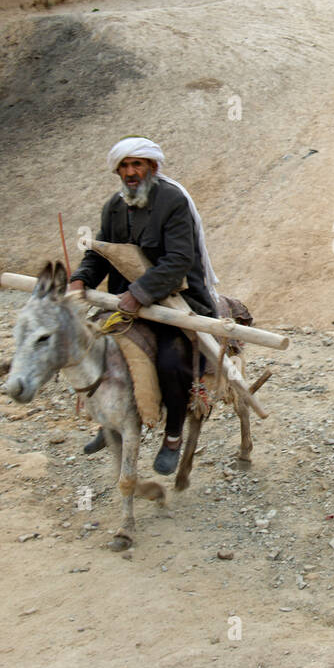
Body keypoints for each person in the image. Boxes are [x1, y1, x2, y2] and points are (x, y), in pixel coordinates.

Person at [67, 136, 220, 474]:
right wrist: (81, 279)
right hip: (127, 303)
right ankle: (109, 424)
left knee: (170, 361)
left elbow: (179, 259)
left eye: (137, 164)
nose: (130, 172)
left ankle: (173, 436)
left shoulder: (172, 201)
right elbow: (101, 252)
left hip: (177, 302)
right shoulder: (115, 207)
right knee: (96, 352)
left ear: (152, 166)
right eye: (124, 166)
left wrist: (140, 292)